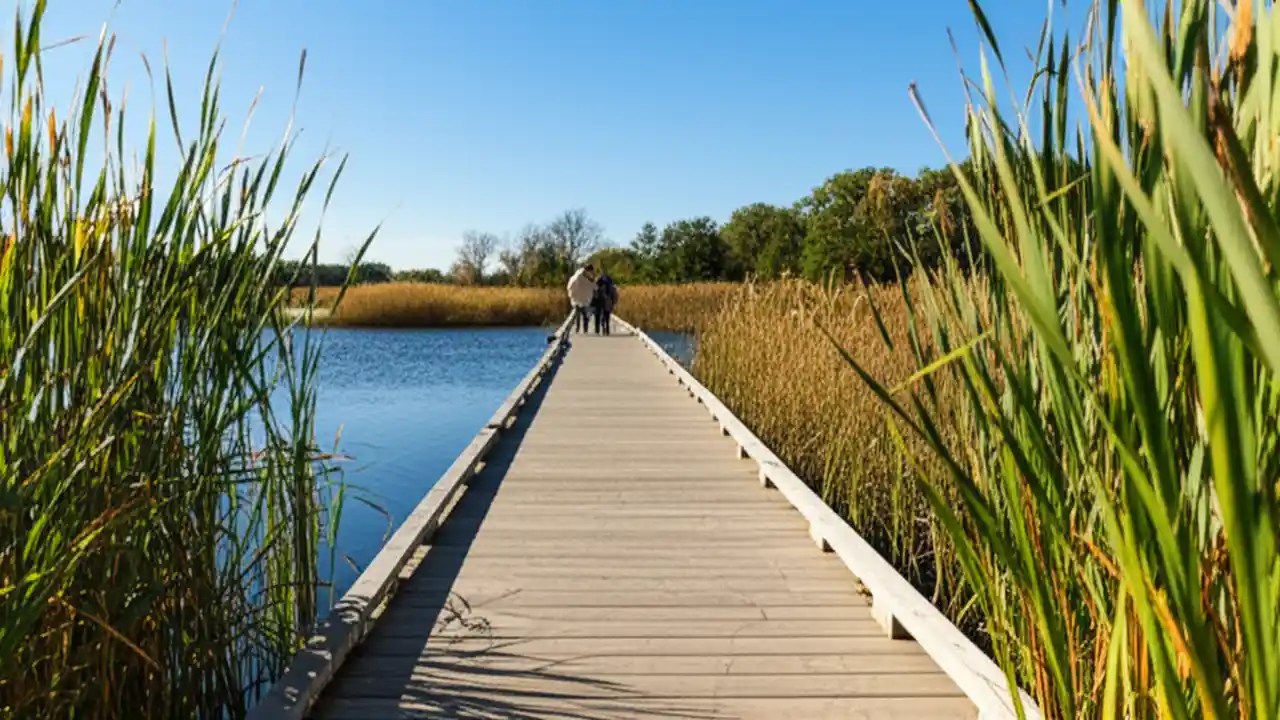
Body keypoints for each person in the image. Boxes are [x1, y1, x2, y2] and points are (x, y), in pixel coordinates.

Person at [566, 264, 596, 334]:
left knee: (582, 315)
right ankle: (579, 329)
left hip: (582, 299)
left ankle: (582, 329)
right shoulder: (579, 276)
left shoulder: (586, 276)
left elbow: (593, 285)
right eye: (591, 271)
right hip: (579, 299)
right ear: (589, 270)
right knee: (579, 315)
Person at [592, 271, 618, 335]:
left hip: (599, 304)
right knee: (607, 317)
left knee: (598, 316)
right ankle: (607, 330)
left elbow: (593, 295)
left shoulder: (597, 286)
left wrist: (593, 302)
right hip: (608, 304)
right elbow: (615, 296)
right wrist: (613, 303)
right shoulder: (612, 287)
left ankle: (598, 329)